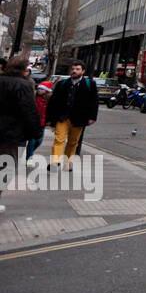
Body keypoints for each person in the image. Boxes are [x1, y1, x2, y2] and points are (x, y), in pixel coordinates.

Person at [0, 54, 41, 213]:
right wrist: (36, 132)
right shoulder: (23, 86)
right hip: (12, 136)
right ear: (24, 69)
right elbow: (29, 111)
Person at [47, 61, 97, 172]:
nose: (74, 71)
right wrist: (49, 118)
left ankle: (68, 162)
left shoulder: (90, 84)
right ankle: (55, 162)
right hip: (62, 117)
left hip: (79, 118)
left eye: (77, 69)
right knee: (59, 139)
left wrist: (92, 117)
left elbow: (94, 102)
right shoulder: (62, 83)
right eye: (73, 69)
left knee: (73, 142)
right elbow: (53, 102)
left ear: (83, 71)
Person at [25, 68, 51, 170]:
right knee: (32, 141)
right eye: (39, 88)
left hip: (43, 123)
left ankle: (29, 152)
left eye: (42, 89)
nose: (39, 90)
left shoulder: (49, 100)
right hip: (34, 123)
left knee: (39, 141)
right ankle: (29, 157)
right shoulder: (35, 99)